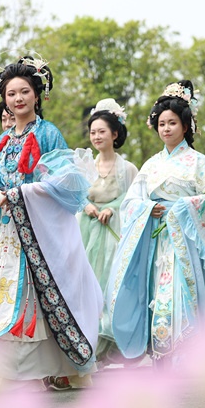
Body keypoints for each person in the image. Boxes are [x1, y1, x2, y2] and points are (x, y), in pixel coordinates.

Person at [0, 56, 102, 391]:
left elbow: (66, 183)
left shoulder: (48, 134)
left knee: (40, 295)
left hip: (37, 231)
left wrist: (16, 194)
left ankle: (50, 367)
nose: (17, 99)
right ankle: (3, 368)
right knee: (3, 294)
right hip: (6, 233)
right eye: (11, 94)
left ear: (38, 95)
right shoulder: (3, 141)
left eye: (24, 92)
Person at [107, 80, 205, 366]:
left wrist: (184, 208)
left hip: (185, 239)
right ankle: (162, 352)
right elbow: (131, 202)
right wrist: (148, 209)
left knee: (182, 290)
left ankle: (189, 354)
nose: (166, 129)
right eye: (161, 123)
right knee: (159, 290)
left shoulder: (201, 164)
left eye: (172, 123)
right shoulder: (151, 165)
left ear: (185, 126)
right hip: (158, 240)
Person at [78, 98, 138, 364]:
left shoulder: (128, 169)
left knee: (112, 284)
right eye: (93, 132)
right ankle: (89, 345)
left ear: (115, 134)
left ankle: (112, 345)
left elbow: (133, 200)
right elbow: (76, 196)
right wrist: (87, 205)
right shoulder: (85, 166)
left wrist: (112, 208)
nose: (97, 136)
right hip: (87, 233)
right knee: (87, 286)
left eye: (102, 131)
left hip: (114, 235)